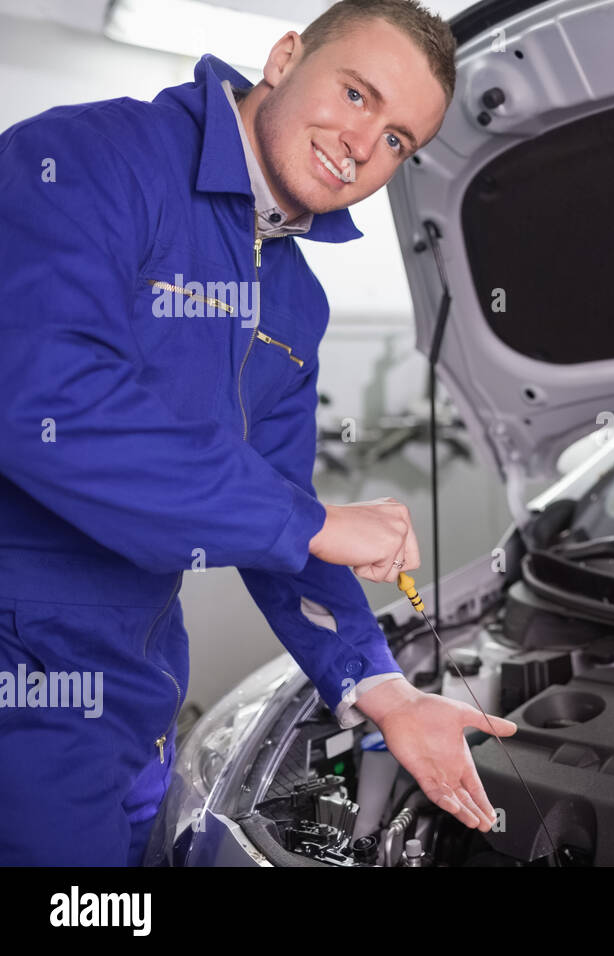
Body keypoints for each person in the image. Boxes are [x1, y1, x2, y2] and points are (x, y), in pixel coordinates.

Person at [0, 0, 516, 866]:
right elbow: (45, 399)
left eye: (398, 141)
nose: (363, 146)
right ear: (284, 57)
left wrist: (382, 686)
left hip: (141, 684)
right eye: (357, 94)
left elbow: (278, 510)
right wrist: (311, 523)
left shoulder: (294, 299)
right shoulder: (89, 161)